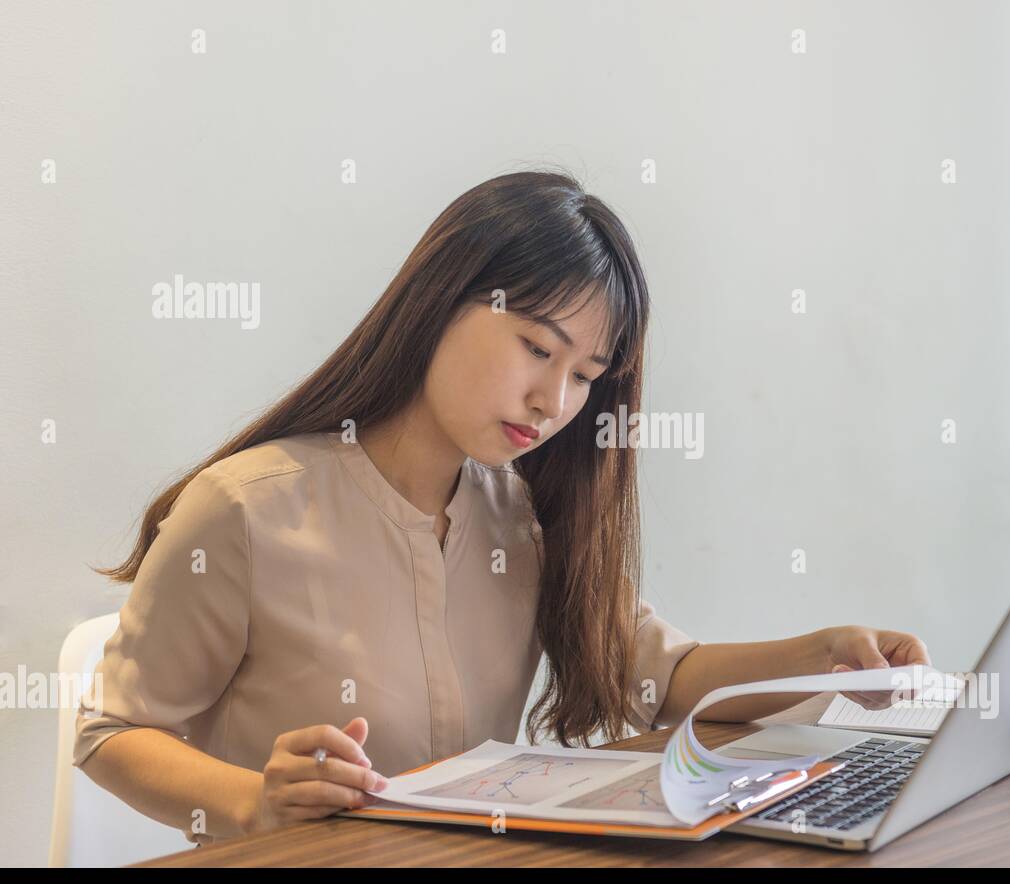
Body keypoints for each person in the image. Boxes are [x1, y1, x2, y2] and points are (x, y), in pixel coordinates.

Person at [75, 169, 929, 846]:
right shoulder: (245, 510)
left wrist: (824, 659)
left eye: (585, 376)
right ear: (441, 301)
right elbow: (110, 733)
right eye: (536, 348)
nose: (554, 400)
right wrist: (256, 801)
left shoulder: (521, 518)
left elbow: (660, 678)